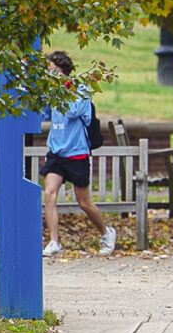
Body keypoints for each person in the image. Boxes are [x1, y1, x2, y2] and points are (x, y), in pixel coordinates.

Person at [40, 50, 116, 257]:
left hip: (77, 153)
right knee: (49, 194)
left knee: (83, 202)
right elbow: (43, 114)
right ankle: (54, 242)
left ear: (62, 70)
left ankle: (106, 232)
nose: (49, 75)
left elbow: (73, 111)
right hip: (56, 152)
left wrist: (59, 90)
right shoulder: (51, 92)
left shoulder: (80, 90)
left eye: (52, 71)